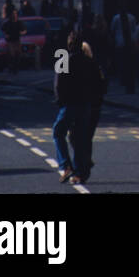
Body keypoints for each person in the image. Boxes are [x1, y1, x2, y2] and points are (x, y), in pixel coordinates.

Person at [53, 32, 105, 185]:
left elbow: (57, 84)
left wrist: (60, 101)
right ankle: (79, 172)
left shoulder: (63, 59)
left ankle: (66, 165)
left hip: (69, 104)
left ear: (69, 45)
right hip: (85, 104)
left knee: (58, 132)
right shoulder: (90, 62)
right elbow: (101, 83)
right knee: (81, 138)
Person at [110, 8, 136, 93]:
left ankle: (122, 78)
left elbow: (113, 29)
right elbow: (134, 29)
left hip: (119, 41)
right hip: (129, 41)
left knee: (121, 61)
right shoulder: (132, 17)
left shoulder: (116, 18)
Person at [1, 5, 25, 76]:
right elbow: (3, 29)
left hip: (17, 40)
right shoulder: (8, 23)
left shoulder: (19, 22)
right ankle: (11, 67)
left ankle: (15, 68)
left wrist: (22, 32)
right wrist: (6, 34)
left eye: (15, 14)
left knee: (18, 54)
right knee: (12, 54)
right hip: (10, 41)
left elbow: (24, 30)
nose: (14, 15)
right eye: (13, 14)